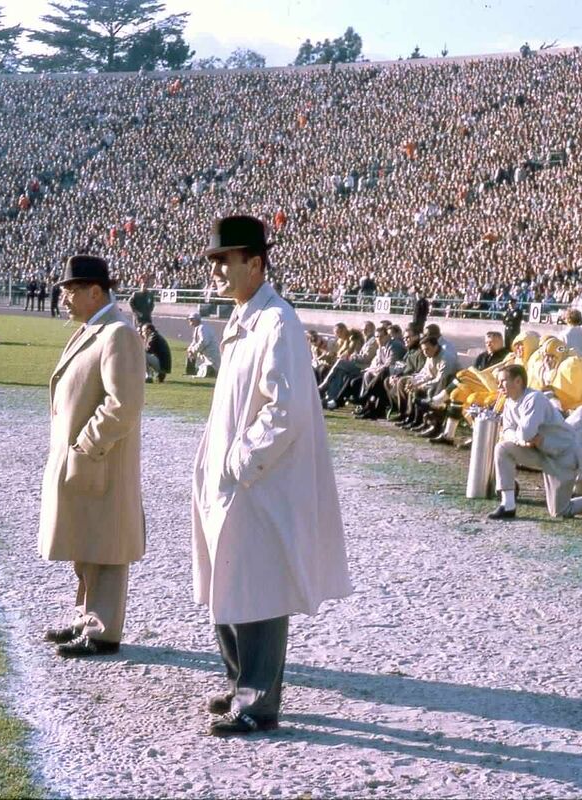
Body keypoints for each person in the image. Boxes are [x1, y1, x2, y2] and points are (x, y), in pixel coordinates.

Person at [191, 215, 352, 737]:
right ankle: (240, 680)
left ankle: (260, 699)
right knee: (228, 578)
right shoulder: (243, 319)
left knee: (258, 587)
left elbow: (283, 409)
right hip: (230, 479)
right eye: (213, 259)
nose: (216, 268)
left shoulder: (277, 322)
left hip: (257, 481)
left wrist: (242, 461)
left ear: (255, 263)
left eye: (225, 259)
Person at [38, 255, 147, 656]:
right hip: (83, 461)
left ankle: (103, 631)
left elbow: (125, 403)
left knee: (106, 546)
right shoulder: (92, 329)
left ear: (95, 291)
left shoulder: (117, 334)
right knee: (86, 542)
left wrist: (86, 445)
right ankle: (86, 618)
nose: (63, 297)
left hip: (99, 461)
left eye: (70, 290)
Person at [487, 364, 582, 520]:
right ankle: (508, 505)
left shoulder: (534, 398)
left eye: (503, 381)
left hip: (562, 455)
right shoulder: (509, 402)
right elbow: (507, 431)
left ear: (518, 381)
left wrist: (523, 438)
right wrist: (521, 440)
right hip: (539, 451)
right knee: (502, 448)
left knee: (560, 511)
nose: (499, 386)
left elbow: (526, 433)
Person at [185, 311, 220, 377]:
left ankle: (211, 371)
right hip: (205, 355)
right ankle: (192, 371)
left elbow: (204, 342)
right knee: (192, 358)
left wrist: (193, 350)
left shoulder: (202, 328)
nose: (189, 321)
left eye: (191, 319)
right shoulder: (197, 328)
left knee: (209, 367)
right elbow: (194, 341)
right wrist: (190, 349)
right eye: (189, 319)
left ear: (197, 320)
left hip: (211, 356)